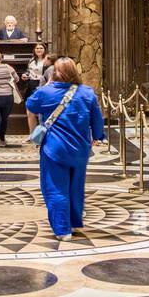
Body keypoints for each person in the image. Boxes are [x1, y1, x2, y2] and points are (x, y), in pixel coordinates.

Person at [27, 57, 105, 242]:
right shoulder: (87, 93)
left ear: (54, 73)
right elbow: (98, 119)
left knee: (55, 188)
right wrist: (99, 136)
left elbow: (30, 104)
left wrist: (48, 85)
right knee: (75, 187)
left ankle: (62, 229)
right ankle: (72, 222)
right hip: (80, 149)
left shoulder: (46, 92)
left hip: (54, 149)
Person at [23, 42, 52, 132]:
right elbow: (29, 71)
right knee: (29, 111)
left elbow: (50, 74)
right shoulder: (31, 60)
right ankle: (32, 135)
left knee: (41, 112)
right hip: (31, 85)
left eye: (41, 48)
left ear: (44, 50)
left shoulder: (47, 60)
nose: (39, 50)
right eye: (37, 48)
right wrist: (25, 75)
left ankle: (42, 134)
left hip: (43, 86)